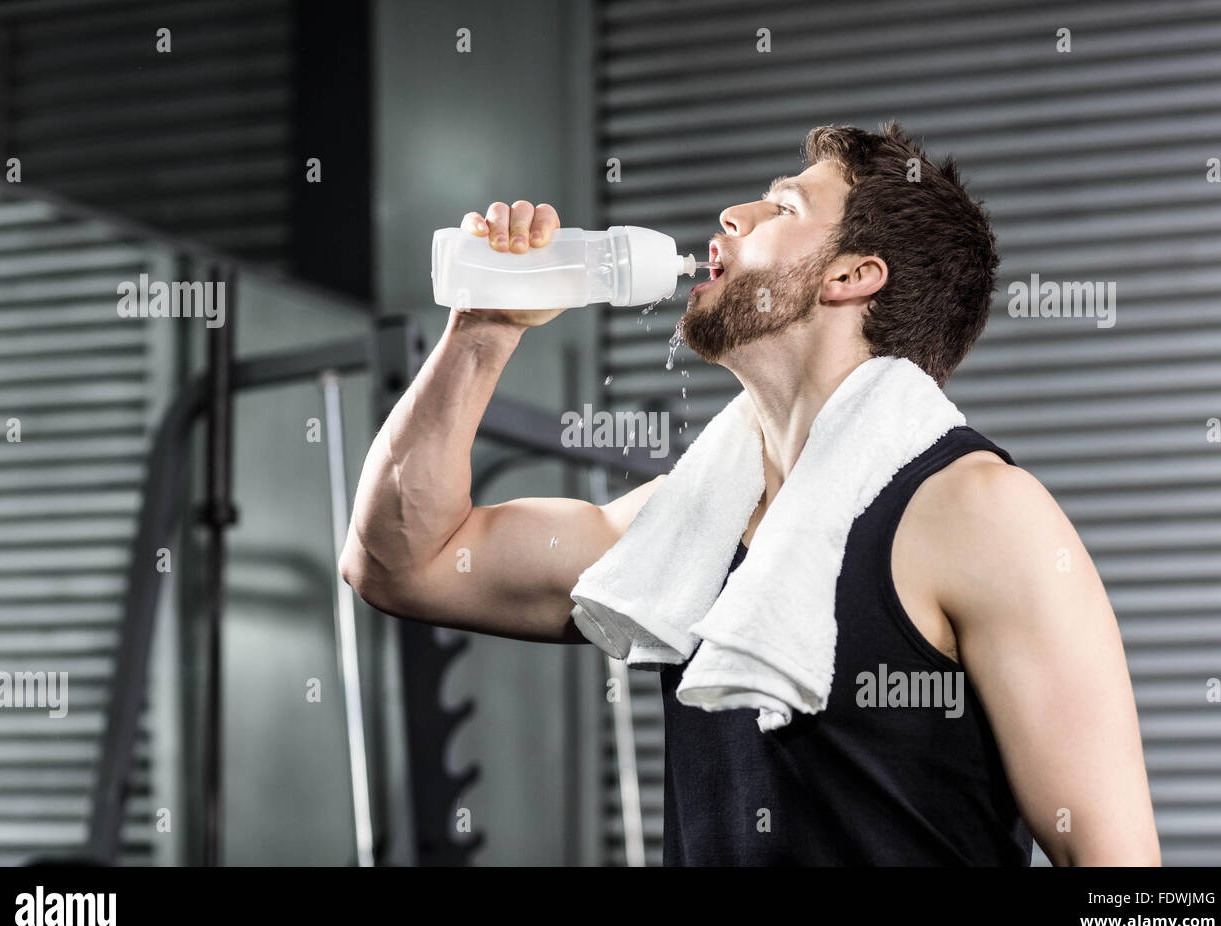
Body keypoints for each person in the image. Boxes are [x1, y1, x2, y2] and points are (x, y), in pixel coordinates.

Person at [339, 121, 1161, 866]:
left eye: (782, 207)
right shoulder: (685, 532)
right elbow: (401, 564)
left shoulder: (981, 513)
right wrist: (484, 330)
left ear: (851, 275)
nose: (733, 216)